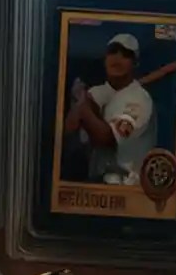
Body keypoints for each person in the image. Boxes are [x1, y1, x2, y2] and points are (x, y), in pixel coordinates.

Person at [63, 33, 157, 185]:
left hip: (128, 189)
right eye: (113, 51)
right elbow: (69, 129)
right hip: (97, 186)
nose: (117, 58)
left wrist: (84, 107)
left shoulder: (140, 100)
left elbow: (106, 138)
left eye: (126, 54)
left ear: (135, 63)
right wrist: (80, 102)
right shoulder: (96, 92)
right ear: (105, 58)